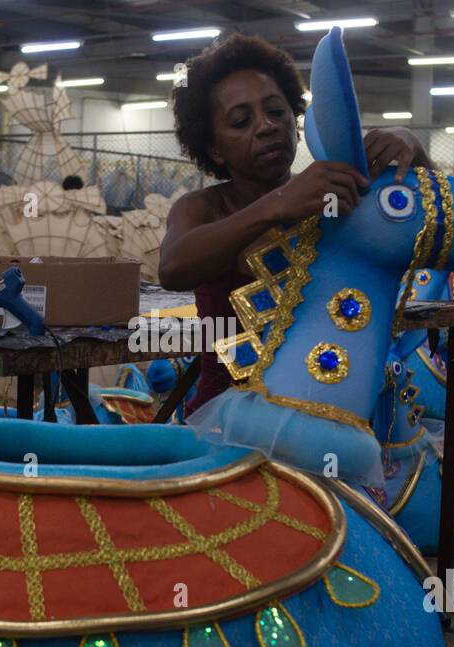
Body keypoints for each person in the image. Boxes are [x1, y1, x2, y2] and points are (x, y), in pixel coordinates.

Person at [158, 33, 433, 414]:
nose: (266, 126)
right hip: (226, 422)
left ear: (296, 120)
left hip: (329, 418)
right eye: (241, 121)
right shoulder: (202, 208)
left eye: (276, 111)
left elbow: (439, 236)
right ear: (214, 148)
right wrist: (277, 206)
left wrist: (415, 151)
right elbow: (173, 269)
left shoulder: (333, 197)